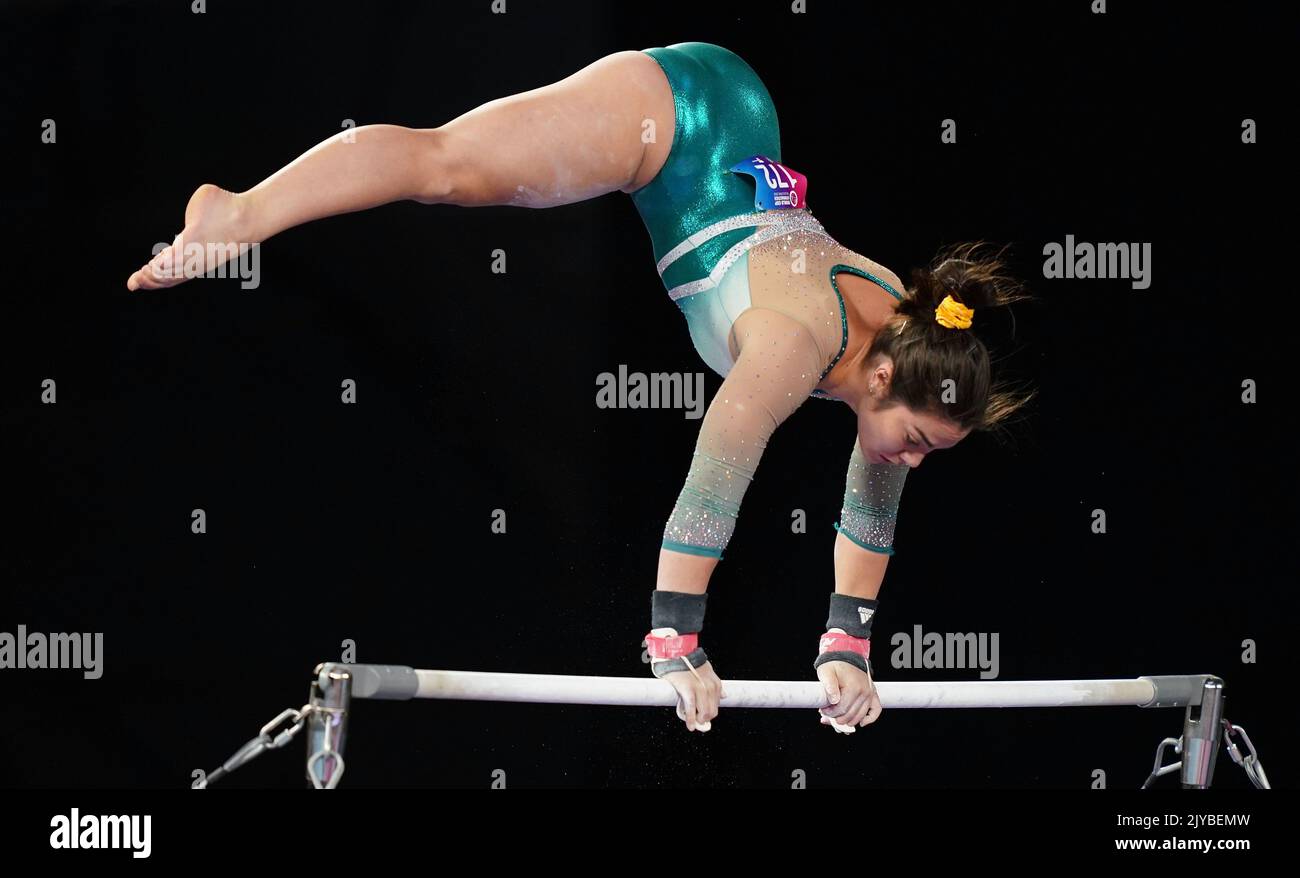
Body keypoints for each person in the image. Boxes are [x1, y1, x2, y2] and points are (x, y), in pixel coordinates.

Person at [126, 41, 1033, 736]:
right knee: (451, 169)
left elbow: (872, 503)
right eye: (919, 440)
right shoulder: (793, 346)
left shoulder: (908, 341)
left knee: (458, 170)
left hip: (741, 117)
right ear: (884, 375)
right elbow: (718, 470)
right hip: (673, 119)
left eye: (929, 450)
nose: (913, 459)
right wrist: (675, 637)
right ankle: (239, 212)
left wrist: (848, 649)